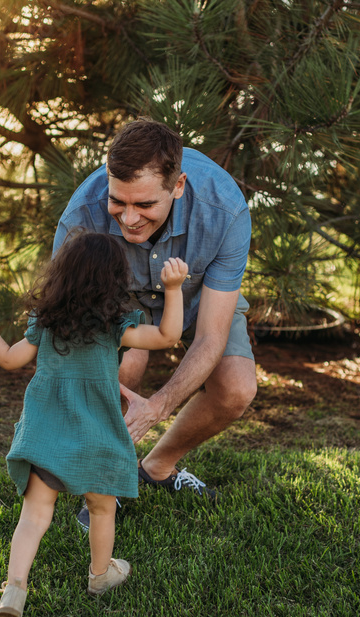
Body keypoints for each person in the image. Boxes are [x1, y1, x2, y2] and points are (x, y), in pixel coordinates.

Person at [0, 231, 188, 617]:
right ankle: (100, 576)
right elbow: (168, 336)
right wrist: (172, 289)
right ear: (114, 281)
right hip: (96, 434)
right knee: (102, 509)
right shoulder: (114, 326)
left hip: (46, 432)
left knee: (33, 515)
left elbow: (8, 359)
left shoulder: (44, 322)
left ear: (61, 275)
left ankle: (15, 591)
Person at [55, 118, 258, 502]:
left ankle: (158, 467)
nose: (129, 219)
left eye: (145, 204)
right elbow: (66, 324)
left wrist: (158, 406)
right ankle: (103, 484)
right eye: (118, 201)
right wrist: (93, 383)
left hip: (195, 295)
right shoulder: (81, 216)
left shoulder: (225, 209)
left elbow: (211, 336)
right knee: (126, 367)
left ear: (177, 186)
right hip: (119, 298)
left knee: (236, 389)